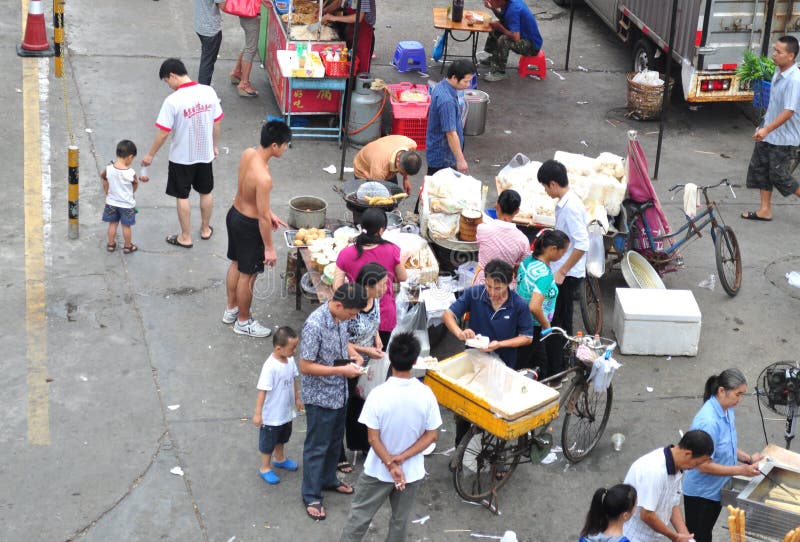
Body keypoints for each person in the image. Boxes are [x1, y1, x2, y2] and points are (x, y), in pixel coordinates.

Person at [340, 332, 442, 542]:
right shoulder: (426, 394)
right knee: (399, 522)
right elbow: (432, 435)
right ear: (415, 361)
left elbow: (373, 439)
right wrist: (402, 459)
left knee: (359, 517)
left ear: (390, 358)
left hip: (378, 469)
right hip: (411, 472)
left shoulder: (378, 394)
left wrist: (390, 463)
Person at [443, 258, 533, 445]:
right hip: (473, 365)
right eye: (489, 286)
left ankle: (497, 460)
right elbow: (448, 314)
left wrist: (499, 344)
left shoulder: (519, 305)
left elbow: (527, 337)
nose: (492, 292)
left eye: (498, 288)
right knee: (465, 413)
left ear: (510, 283)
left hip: (503, 367)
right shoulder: (475, 294)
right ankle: (460, 453)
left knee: (496, 416)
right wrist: (460, 332)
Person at [299, 283, 368, 521]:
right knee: (317, 446)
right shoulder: (314, 325)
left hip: (339, 394)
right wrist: (341, 372)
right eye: (351, 313)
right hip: (320, 397)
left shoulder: (341, 318)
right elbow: (305, 366)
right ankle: (311, 494)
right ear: (338, 305)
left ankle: (328, 479)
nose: (353, 317)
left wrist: (353, 354)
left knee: (334, 440)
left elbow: (342, 340)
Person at [142, 58, 223, 249]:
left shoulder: (173, 101)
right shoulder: (208, 91)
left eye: (166, 81)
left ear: (172, 75)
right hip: (204, 154)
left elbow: (163, 133)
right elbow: (217, 121)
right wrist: (214, 145)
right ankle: (205, 229)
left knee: (182, 195)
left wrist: (150, 154)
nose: (168, 86)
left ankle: (185, 236)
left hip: (181, 156)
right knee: (206, 191)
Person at [223, 121, 291, 338]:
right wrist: (269, 248)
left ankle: (231, 308)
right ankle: (243, 321)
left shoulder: (248, 154)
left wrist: (269, 213)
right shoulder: (264, 177)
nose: (285, 148)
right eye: (285, 145)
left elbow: (247, 191)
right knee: (248, 275)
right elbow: (261, 217)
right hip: (249, 226)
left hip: (234, 215)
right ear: (274, 146)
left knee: (236, 263)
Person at [682, 369, 763, 542]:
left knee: (706, 532)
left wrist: (748, 458)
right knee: (699, 538)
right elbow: (702, 465)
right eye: (737, 394)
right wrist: (741, 470)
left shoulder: (727, 409)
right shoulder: (708, 422)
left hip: (717, 489)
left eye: (742, 394)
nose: (740, 400)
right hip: (702, 495)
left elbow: (726, 446)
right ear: (721, 391)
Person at [538, 159, 589, 378]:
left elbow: (582, 243)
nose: (546, 191)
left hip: (567, 275)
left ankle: (559, 368)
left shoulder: (570, 208)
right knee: (560, 317)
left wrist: (562, 270)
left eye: (545, 187)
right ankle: (563, 361)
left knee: (559, 321)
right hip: (562, 269)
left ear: (553, 184)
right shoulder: (566, 202)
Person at [741, 35, 800, 221]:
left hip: (784, 138)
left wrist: (767, 129)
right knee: (761, 170)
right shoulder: (778, 71)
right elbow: (774, 104)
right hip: (768, 133)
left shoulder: (794, 80)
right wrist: (763, 126)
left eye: (778, 52)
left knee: (780, 176)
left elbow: (789, 111)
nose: (773, 54)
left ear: (791, 56)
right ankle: (765, 210)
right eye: (774, 50)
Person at [338, 262, 389, 474]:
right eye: (383, 284)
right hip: (346, 362)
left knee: (361, 404)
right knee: (342, 407)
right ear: (369, 285)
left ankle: (361, 443)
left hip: (366, 362)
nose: (386, 288)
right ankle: (338, 454)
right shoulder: (352, 304)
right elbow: (341, 341)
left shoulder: (374, 299)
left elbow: (374, 323)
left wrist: (376, 339)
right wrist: (365, 350)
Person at [622, 430, 714, 542]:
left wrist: (687, 538)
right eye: (697, 463)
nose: (695, 467)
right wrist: (673, 536)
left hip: (653, 537)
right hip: (633, 537)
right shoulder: (655, 472)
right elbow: (646, 515)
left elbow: (672, 504)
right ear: (687, 454)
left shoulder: (678, 466)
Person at [334, 208, 407, 346]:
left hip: (354, 314)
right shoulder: (392, 250)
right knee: (378, 358)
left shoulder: (346, 253)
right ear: (381, 230)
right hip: (384, 315)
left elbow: (337, 286)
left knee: (354, 357)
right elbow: (402, 277)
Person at [252, 326, 303, 485]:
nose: (294, 351)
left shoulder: (290, 360)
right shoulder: (270, 366)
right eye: (291, 348)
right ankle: (265, 468)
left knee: (282, 437)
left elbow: (293, 380)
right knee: (268, 442)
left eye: (296, 347)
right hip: (272, 415)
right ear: (278, 348)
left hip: (285, 411)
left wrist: (297, 398)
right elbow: (262, 391)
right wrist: (258, 413)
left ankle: (280, 458)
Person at [515, 229, 570, 376]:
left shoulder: (527, 261)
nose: (562, 256)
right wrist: (546, 326)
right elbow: (534, 306)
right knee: (529, 365)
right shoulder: (544, 275)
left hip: (518, 317)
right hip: (533, 325)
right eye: (562, 252)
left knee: (535, 360)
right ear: (553, 249)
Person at [426, 59, 476, 175]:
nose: (468, 85)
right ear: (454, 77)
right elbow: (450, 133)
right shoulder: (447, 101)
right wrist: (460, 159)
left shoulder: (441, 86)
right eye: (465, 81)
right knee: (438, 190)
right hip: (443, 157)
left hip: (440, 150)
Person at [475, 189, 530, 284]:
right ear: (517, 211)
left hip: (482, 284)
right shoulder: (523, 240)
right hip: (505, 288)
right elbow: (523, 266)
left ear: (497, 206)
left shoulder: (482, 229)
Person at [481, 0, 543, 82]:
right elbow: (504, 18)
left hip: (532, 46)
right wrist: (493, 8)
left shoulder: (513, 9)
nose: (489, 1)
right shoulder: (507, 3)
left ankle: (499, 72)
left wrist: (500, 27)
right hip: (522, 36)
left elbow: (515, 37)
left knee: (504, 39)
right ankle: (494, 59)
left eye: (492, 0)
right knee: (495, 27)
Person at [101, 140, 145, 254]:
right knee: (126, 226)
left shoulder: (109, 168)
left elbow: (104, 178)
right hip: (126, 204)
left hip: (111, 202)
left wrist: (107, 191)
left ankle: (111, 244)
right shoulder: (130, 172)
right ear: (130, 157)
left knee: (113, 224)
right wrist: (131, 194)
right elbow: (135, 184)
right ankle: (127, 246)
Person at [352, 135, 422, 195]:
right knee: (369, 201)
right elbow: (376, 190)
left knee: (393, 196)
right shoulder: (380, 170)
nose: (404, 174)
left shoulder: (411, 145)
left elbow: (407, 159)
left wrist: (405, 179)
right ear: (397, 161)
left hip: (382, 155)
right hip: (364, 168)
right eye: (402, 173)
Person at [322, 0, 375, 73]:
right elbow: (338, 2)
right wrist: (324, 11)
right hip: (352, 29)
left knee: (360, 65)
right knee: (349, 59)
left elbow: (359, 17)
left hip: (363, 33)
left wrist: (333, 17)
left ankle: (358, 83)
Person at [228, 6, 262, 97]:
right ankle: (244, 84)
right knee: (251, 49)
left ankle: (237, 72)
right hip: (251, 15)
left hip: (245, 12)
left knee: (249, 46)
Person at [195, 0, 225, 85]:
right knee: (207, 63)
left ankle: (204, 88)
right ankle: (204, 92)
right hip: (211, 29)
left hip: (200, 24)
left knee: (206, 58)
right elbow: (223, 5)